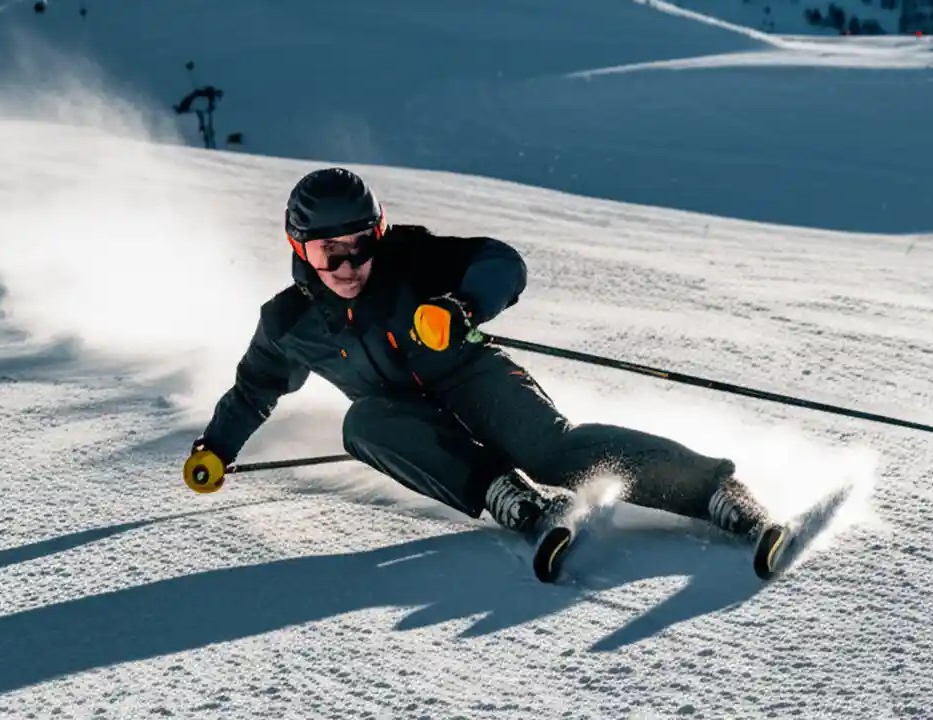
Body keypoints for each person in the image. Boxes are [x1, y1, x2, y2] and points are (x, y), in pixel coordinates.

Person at [185, 167, 777, 570]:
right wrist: (215, 446)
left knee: (549, 450)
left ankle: (717, 493)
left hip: (469, 372)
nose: (346, 264)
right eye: (327, 252)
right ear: (299, 249)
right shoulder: (289, 323)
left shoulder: (412, 259)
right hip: (402, 416)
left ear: (379, 234)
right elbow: (255, 389)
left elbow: (501, 262)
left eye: (359, 244)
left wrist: (461, 305)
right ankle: (510, 499)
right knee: (363, 426)